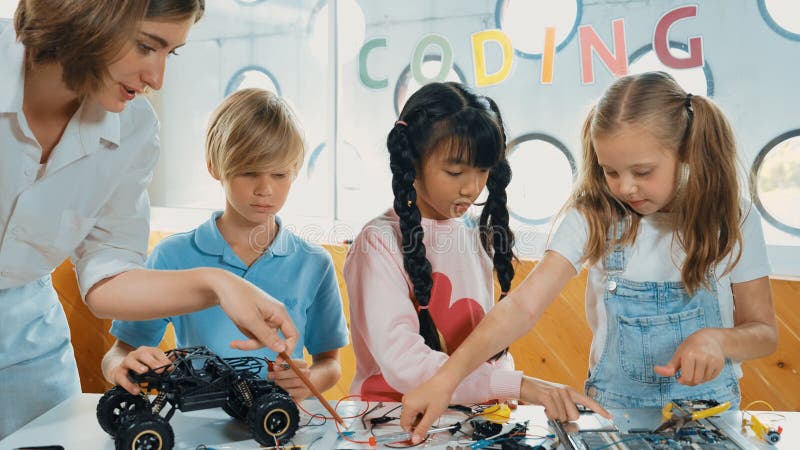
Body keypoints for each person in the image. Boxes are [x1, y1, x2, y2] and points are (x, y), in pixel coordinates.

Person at [400, 71, 777, 443]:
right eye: (610, 171)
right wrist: (445, 380)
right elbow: (522, 307)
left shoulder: (733, 217)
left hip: (710, 419)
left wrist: (717, 341)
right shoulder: (594, 215)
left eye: (642, 172)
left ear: (686, 152)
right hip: (614, 419)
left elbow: (763, 333)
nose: (625, 187)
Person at [0, 1, 296, 438]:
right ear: (84, 14)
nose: (156, 79)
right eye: (145, 46)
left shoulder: (134, 128)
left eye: (169, 53)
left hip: (29, 343)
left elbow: (108, 280)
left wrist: (219, 283)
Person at [344, 82, 607, 416]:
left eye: (482, 170)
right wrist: (515, 385)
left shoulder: (472, 234)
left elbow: (487, 347)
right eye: (455, 172)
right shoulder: (378, 242)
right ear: (413, 162)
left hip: (467, 419)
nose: (471, 187)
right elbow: (404, 365)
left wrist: (504, 385)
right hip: (392, 421)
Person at [102, 88, 349, 401]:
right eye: (249, 172)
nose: (265, 189)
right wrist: (122, 365)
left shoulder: (314, 263)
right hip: (199, 419)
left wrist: (309, 380)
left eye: (279, 174)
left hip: (275, 419)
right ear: (214, 166)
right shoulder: (172, 256)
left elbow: (330, 363)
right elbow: (118, 352)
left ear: (296, 171)